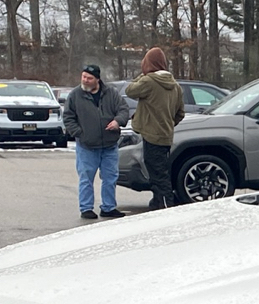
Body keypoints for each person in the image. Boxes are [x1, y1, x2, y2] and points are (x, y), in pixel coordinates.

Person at [62, 64, 129, 220]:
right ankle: (86, 208)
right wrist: (79, 133)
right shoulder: (75, 95)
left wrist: (118, 121)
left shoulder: (111, 93)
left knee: (110, 177)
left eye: (89, 78)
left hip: (109, 145)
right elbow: (68, 117)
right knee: (86, 177)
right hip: (87, 146)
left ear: (97, 79)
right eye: (83, 76)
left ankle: (108, 207)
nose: (85, 80)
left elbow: (124, 109)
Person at [124, 47, 186, 208]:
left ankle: (165, 205)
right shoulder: (175, 85)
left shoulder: (149, 81)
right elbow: (180, 113)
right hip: (165, 136)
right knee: (159, 170)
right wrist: (168, 124)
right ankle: (157, 202)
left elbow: (130, 90)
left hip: (151, 135)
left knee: (158, 175)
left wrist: (144, 74)